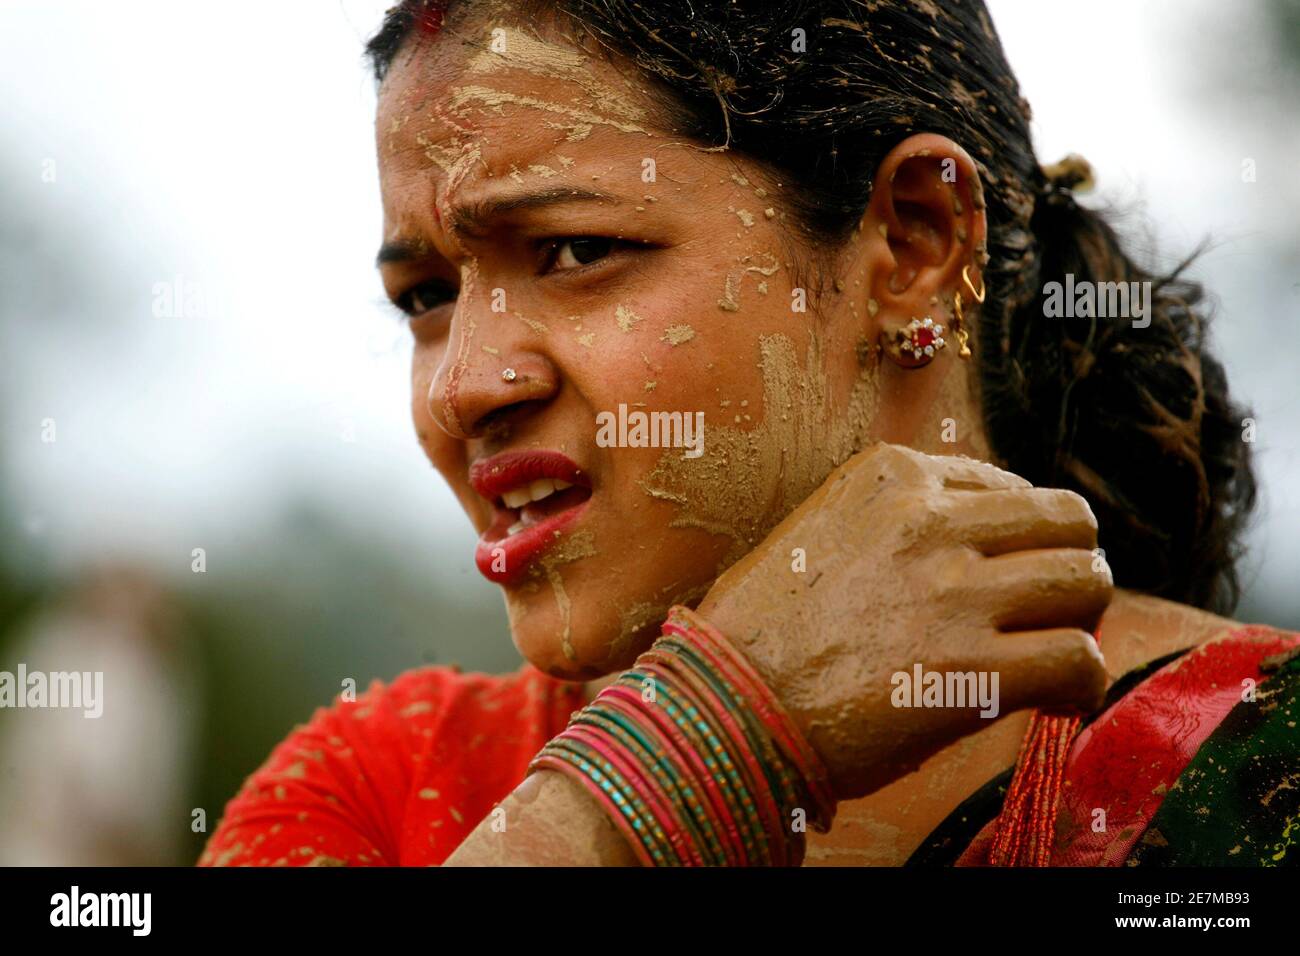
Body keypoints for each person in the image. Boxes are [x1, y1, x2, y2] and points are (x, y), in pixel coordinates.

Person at [199, 0, 1297, 867]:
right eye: (427, 296)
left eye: (577, 251)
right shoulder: (382, 785)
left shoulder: (1253, 753)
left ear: (913, 245)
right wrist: (706, 743)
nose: (464, 388)